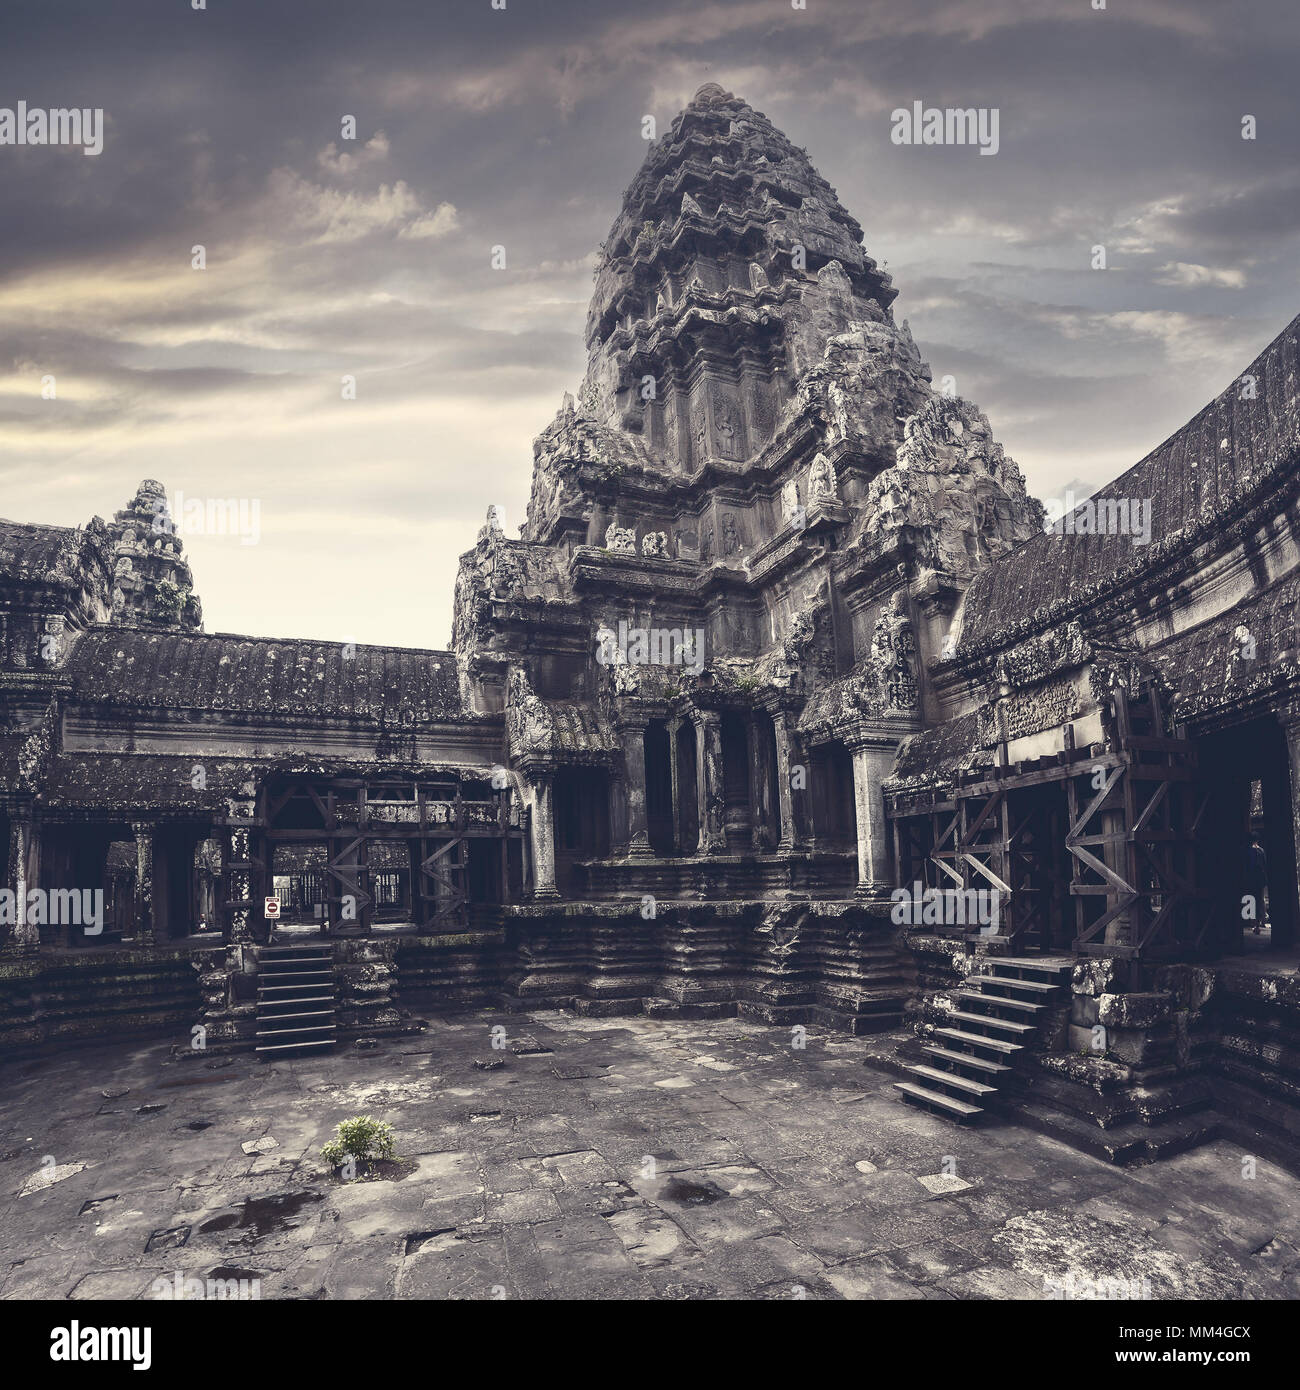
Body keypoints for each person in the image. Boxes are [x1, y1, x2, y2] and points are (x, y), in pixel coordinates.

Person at [1246, 837, 1268, 934]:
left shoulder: (1248, 850)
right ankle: (1262, 921)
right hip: (1260, 878)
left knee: (1251, 899)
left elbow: (1247, 865)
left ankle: (1252, 923)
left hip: (1251, 878)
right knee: (1260, 899)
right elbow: (1265, 864)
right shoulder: (1261, 850)